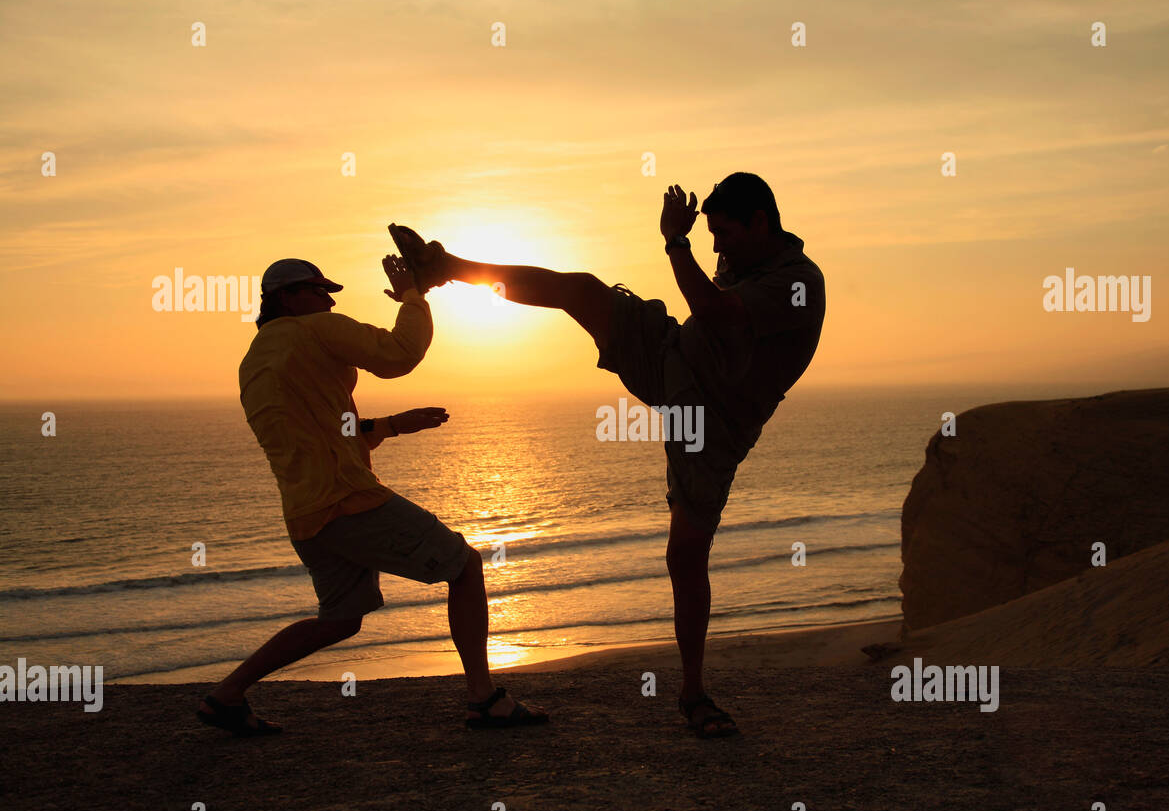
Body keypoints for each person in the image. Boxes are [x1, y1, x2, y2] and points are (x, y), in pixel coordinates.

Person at [389, 172, 824, 737]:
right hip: (670, 355)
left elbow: (721, 316)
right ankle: (445, 269)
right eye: (710, 235)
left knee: (685, 556)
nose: (716, 246)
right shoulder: (750, 258)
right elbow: (712, 323)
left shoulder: (797, 282)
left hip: (710, 424)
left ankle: (693, 693)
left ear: (761, 222)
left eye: (724, 234)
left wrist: (676, 243)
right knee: (581, 289)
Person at [197, 255, 548, 736]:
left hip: (306, 514)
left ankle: (228, 694)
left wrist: (390, 426)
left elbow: (318, 432)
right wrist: (412, 295)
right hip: (349, 501)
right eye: (318, 289)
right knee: (463, 566)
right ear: (287, 297)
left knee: (341, 619)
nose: (328, 298)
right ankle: (484, 699)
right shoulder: (316, 329)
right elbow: (400, 353)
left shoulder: (254, 360)